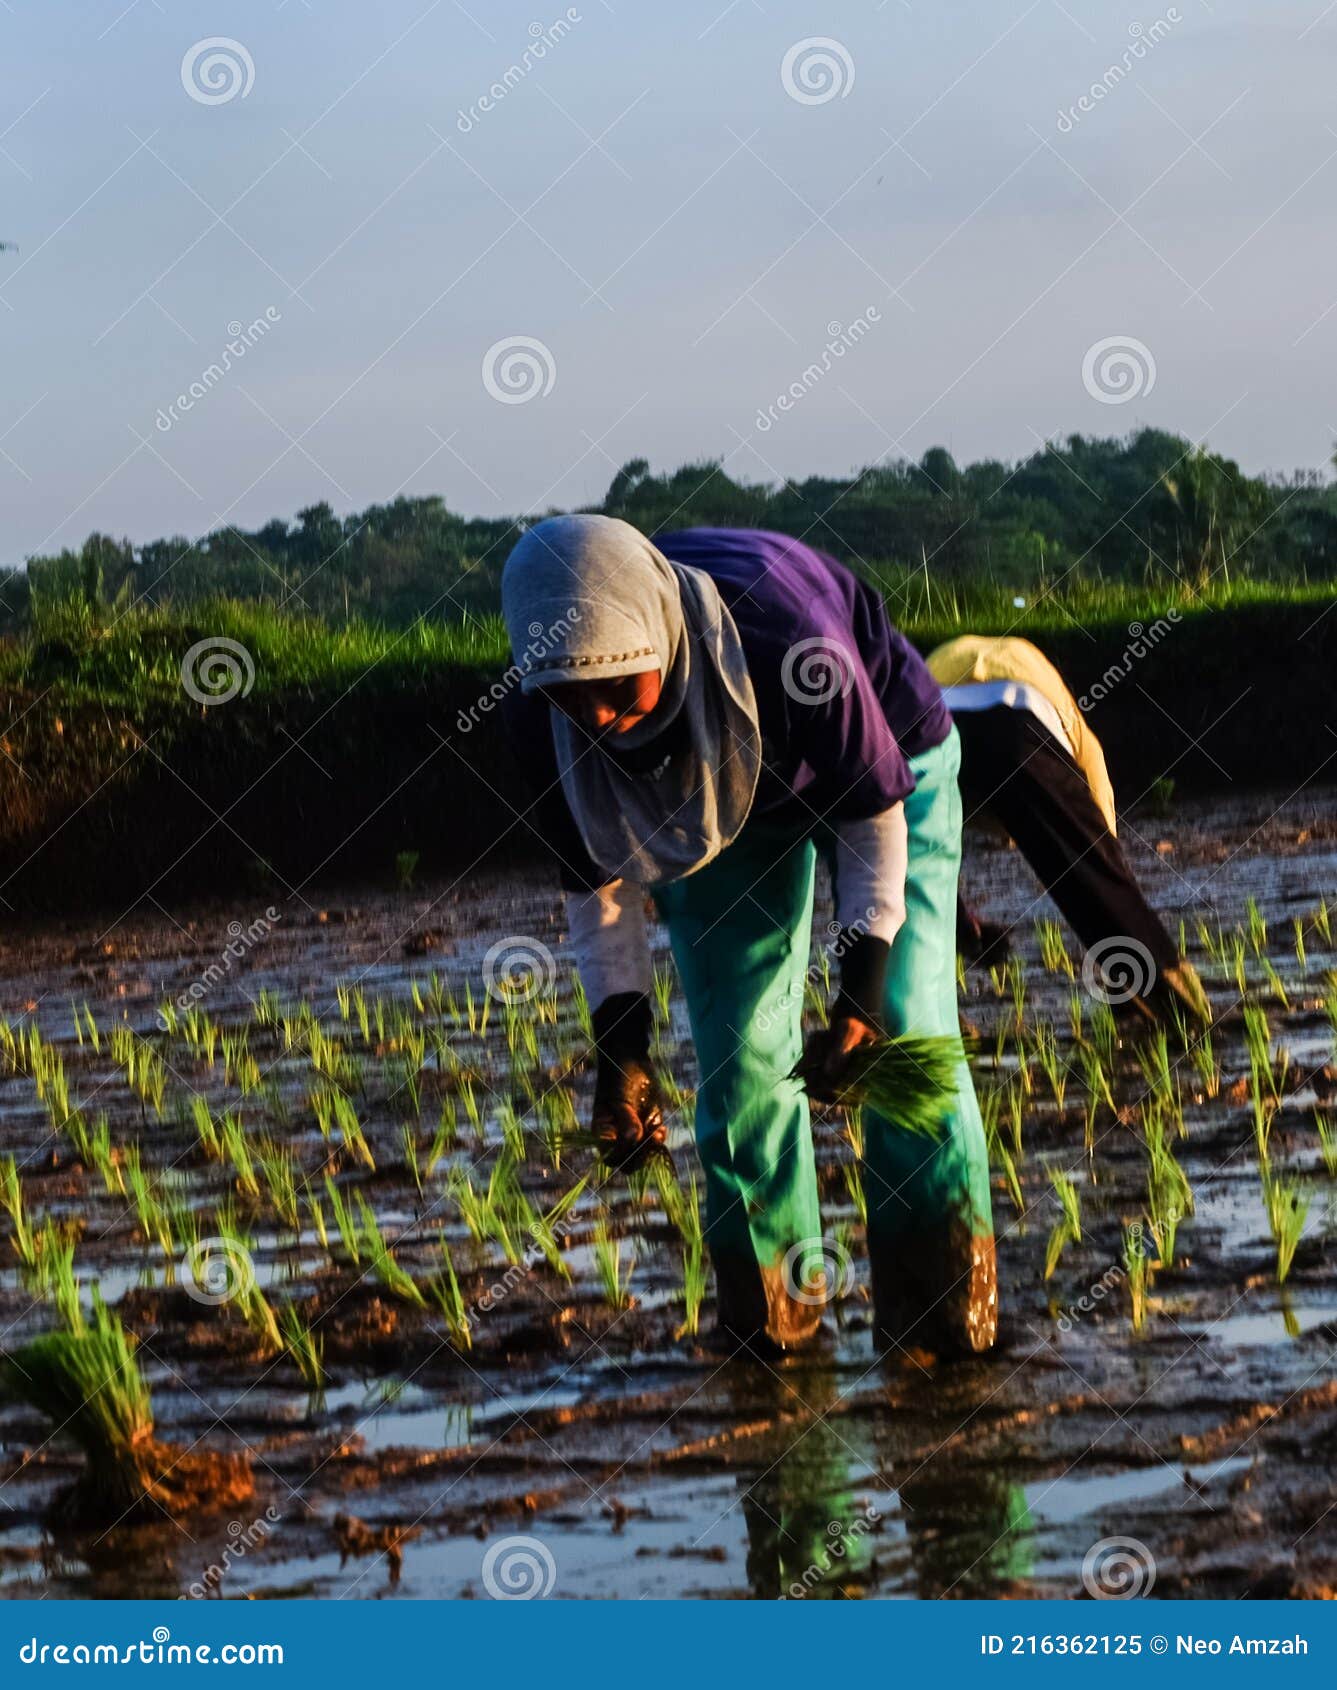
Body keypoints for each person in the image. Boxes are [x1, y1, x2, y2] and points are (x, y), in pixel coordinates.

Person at [501, 516, 995, 1359]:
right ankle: (774, 1329)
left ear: (657, 633)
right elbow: (597, 883)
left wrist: (858, 1001)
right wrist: (620, 1055)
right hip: (710, 813)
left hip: (886, 771)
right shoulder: (546, 711)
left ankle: (941, 1323)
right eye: (567, 697)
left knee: (902, 1039)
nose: (598, 719)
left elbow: (870, 812)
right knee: (740, 1064)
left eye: (619, 686)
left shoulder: (788, 642)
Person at [925, 634, 1210, 1025]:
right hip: (1010, 715)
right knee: (1089, 868)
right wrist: (1109, 878)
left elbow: (925, 854)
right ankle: (1180, 1008)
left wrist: (961, 923)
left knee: (912, 873)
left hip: (926, 727)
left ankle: (925, 1024)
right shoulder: (1075, 732)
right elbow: (1097, 844)